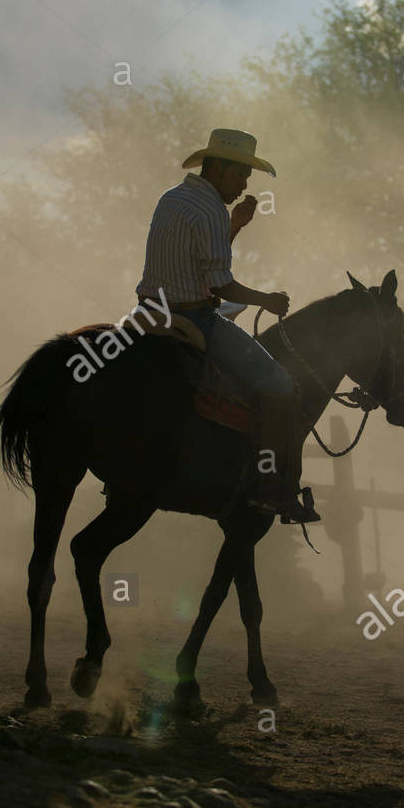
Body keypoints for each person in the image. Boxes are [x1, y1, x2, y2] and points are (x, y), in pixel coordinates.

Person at [137, 127, 319, 523]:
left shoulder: (172, 200)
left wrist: (234, 225)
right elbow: (220, 282)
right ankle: (275, 492)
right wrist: (265, 300)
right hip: (192, 315)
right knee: (280, 385)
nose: (243, 185)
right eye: (239, 176)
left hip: (149, 311)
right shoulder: (210, 211)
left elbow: (200, 262)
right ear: (217, 168)